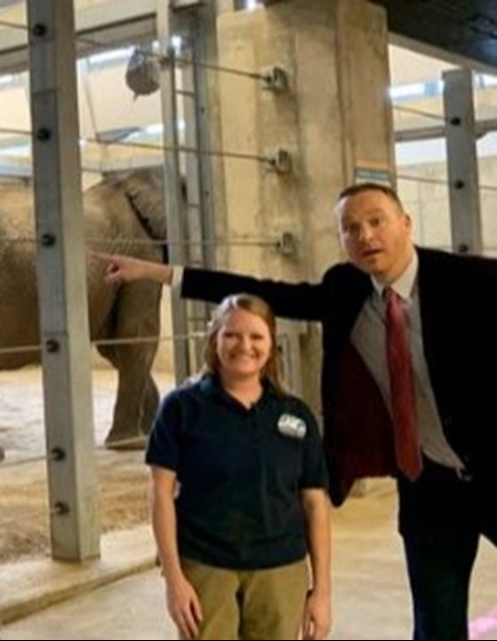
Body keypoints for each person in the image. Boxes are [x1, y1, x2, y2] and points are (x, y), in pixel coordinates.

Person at [95, 182, 497, 640]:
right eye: (350, 228)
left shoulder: (470, 281)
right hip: (430, 484)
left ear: (405, 223)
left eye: (376, 221)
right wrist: (160, 273)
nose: (365, 236)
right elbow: (264, 293)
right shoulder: (345, 290)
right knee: (437, 621)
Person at [148, 293, 331, 640]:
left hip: (280, 569)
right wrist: (174, 580)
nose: (243, 345)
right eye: (231, 334)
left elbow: (314, 505)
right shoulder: (181, 409)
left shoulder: (296, 415)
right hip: (205, 566)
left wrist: (321, 591)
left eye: (256, 336)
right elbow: (160, 494)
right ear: (214, 340)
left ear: (271, 344)